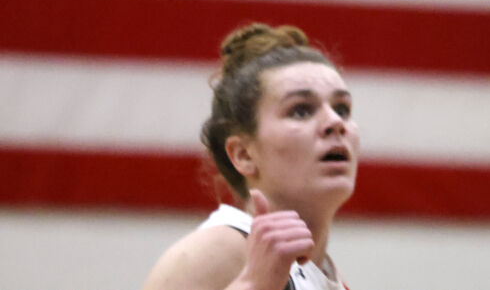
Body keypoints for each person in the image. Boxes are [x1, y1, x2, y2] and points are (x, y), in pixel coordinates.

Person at [142, 24, 356, 290]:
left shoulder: (326, 276)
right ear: (243, 154)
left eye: (342, 109)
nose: (335, 122)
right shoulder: (215, 252)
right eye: (300, 110)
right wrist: (252, 285)